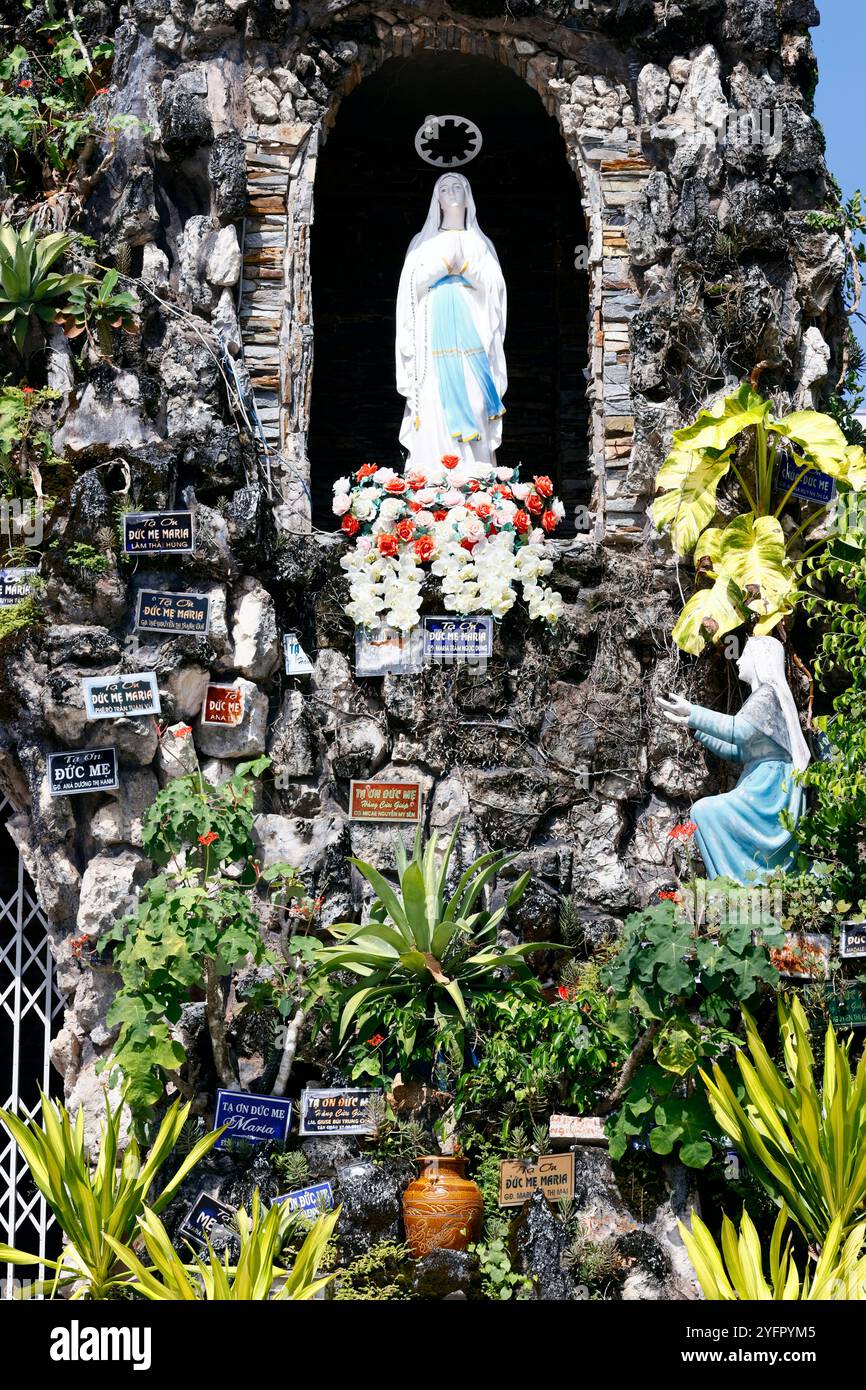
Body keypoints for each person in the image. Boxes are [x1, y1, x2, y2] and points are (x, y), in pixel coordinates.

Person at [656, 635, 810, 883]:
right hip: (760, 782)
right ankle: (733, 884)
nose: (738, 660)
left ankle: (739, 883)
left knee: (706, 811)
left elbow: (739, 730)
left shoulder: (767, 695)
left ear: (760, 660)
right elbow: (737, 751)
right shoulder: (760, 697)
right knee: (704, 813)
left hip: (770, 789)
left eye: (746, 654)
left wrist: (694, 712)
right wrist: (695, 728)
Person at [395, 173, 507, 478]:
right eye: (444, 189)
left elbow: (496, 292)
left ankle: (474, 473)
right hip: (433, 340)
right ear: (437, 200)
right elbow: (409, 289)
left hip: (471, 338)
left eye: (457, 187)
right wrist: (443, 267)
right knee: (433, 401)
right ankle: (432, 473)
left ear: (468, 196)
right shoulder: (423, 243)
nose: (451, 192)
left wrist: (467, 268)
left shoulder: (480, 243)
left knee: (473, 398)